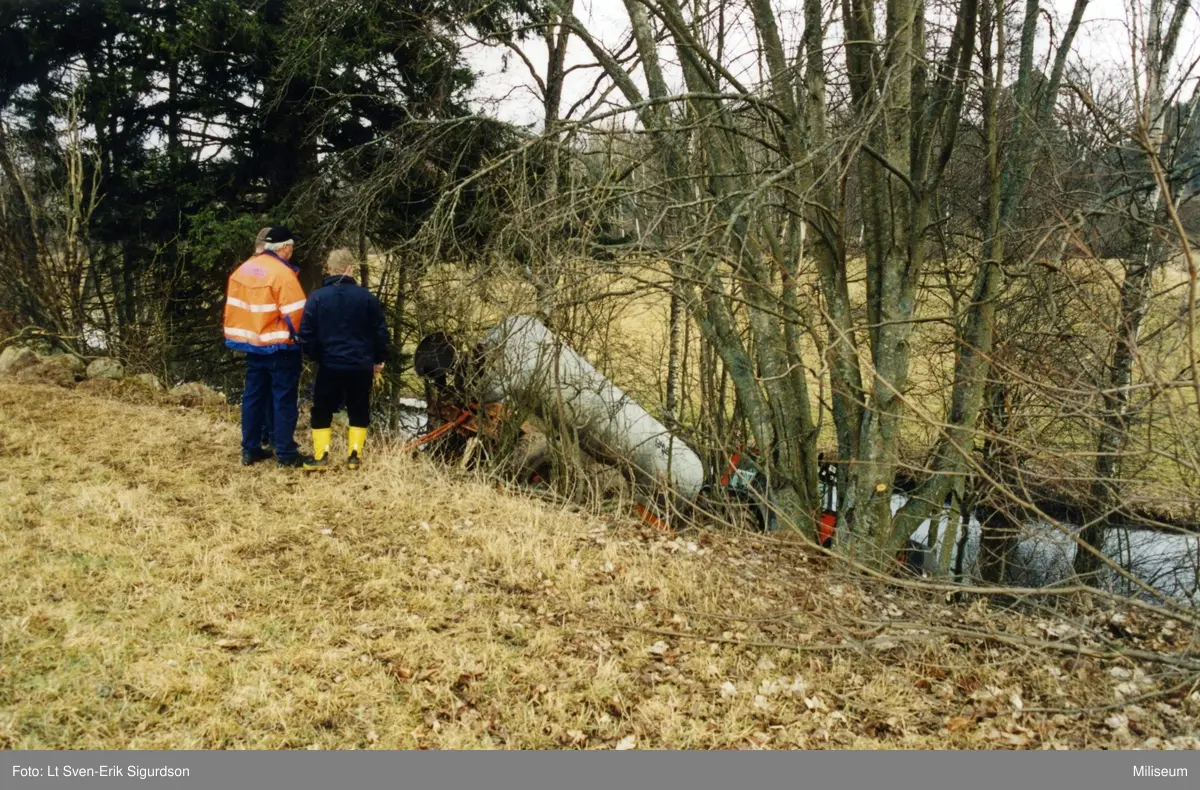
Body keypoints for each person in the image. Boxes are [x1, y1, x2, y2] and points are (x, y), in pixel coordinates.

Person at [223, 226, 312, 468]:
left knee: (253, 396)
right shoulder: (282, 274)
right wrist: (303, 339)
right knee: (283, 398)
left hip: (252, 345)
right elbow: (298, 315)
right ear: (284, 248)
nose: (292, 252)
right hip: (280, 347)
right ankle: (285, 453)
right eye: (291, 248)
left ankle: (250, 448)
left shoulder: (243, 270)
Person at [298, 248, 389, 470]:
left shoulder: (317, 298)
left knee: (322, 408)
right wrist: (378, 359)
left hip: (330, 365)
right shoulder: (367, 298)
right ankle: (354, 456)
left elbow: (306, 334)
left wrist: (318, 356)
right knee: (358, 408)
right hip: (360, 365)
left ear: (329, 269)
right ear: (350, 268)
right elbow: (380, 333)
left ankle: (321, 456)